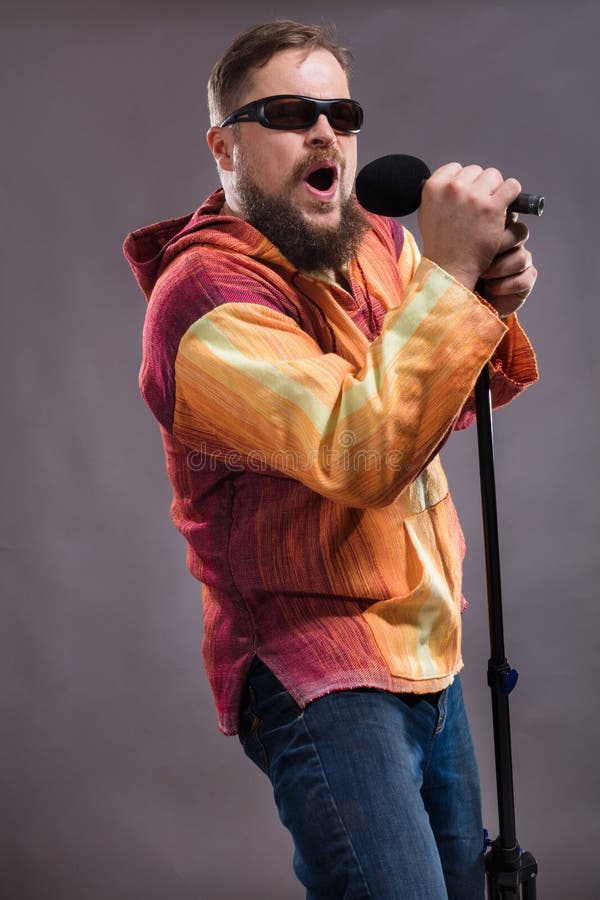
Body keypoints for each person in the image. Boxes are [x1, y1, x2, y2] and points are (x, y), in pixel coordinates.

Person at [123, 20, 538, 899]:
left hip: (428, 646)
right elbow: (362, 452)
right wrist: (450, 286)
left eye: (340, 115)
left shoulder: (377, 242)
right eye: (287, 112)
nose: (325, 133)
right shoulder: (204, 301)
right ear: (224, 146)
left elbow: (442, 405)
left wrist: (485, 297)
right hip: (319, 667)